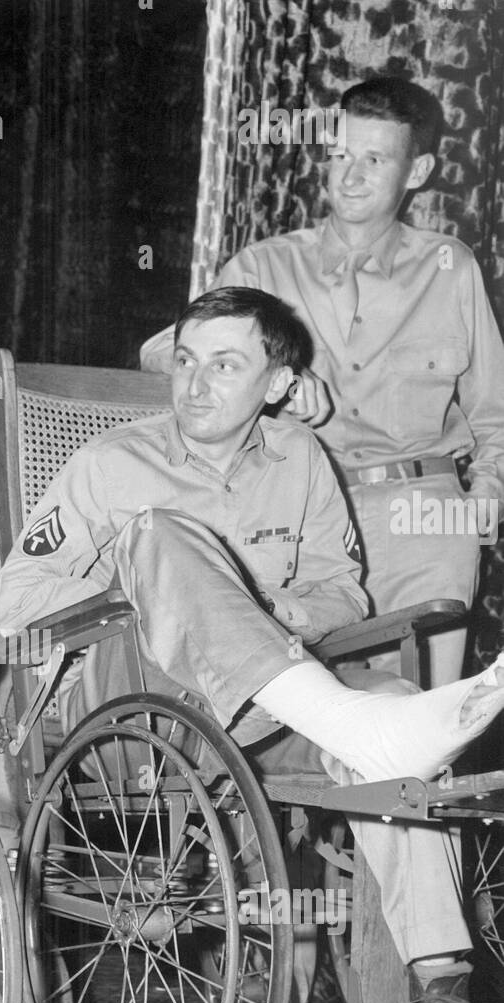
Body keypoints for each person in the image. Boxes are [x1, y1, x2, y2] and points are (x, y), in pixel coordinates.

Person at [0, 286, 504, 1003]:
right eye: (186, 361)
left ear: (276, 381)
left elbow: (343, 589)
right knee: (160, 537)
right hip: (149, 722)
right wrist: (146, 588)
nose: (194, 384)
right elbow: (16, 602)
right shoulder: (111, 466)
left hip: (273, 724)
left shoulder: (300, 458)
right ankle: (351, 724)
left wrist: (277, 621)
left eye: (225, 365)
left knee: (397, 720)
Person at [141, 76, 504, 688]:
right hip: (298, 523)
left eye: (374, 159)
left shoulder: (452, 268)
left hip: (424, 524)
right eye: (340, 155)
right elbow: (165, 357)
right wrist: (276, 381)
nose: (350, 175)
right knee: (302, 724)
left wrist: (480, 507)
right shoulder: (264, 266)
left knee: (420, 728)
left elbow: (495, 413)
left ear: (417, 171)